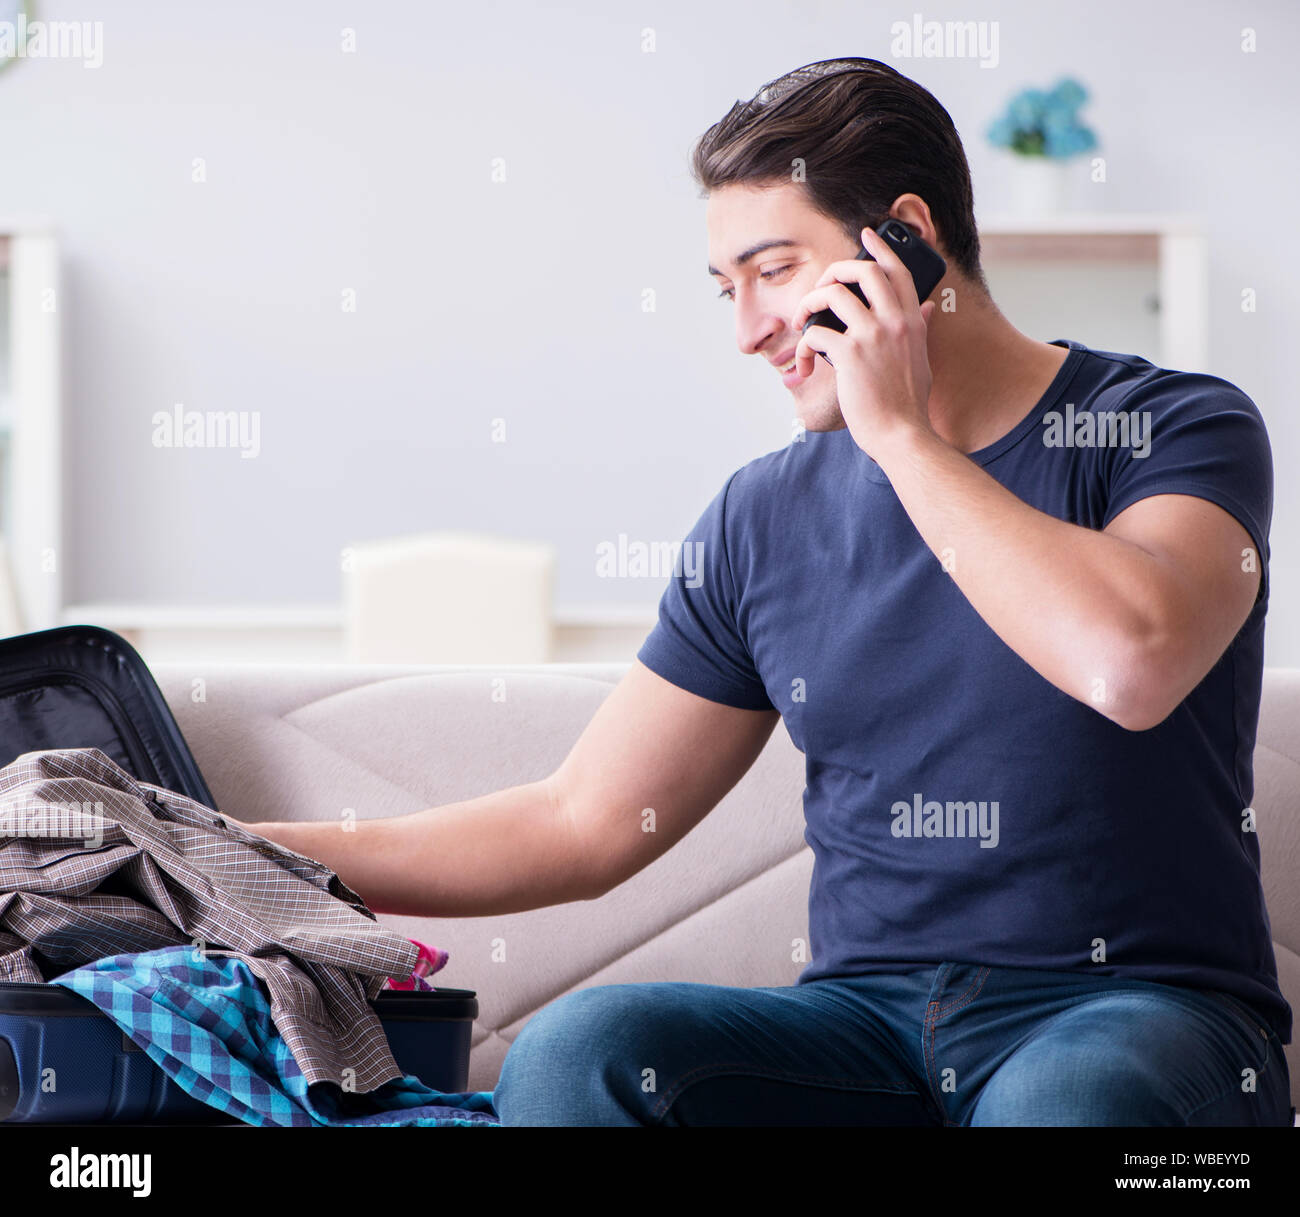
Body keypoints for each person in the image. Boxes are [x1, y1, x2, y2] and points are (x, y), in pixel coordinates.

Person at [252, 58, 1292, 1126]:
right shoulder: (763, 518)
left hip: (1140, 1017)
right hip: (866, 1028)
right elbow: (581, 820)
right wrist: (225, 851)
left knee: (1066, 1099)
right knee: (582, 1050)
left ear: (905, 238)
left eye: (773, 269)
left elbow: (1130, 661)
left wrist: (900, 435)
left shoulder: (1164, 424)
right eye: (725, 288)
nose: (747, 328)